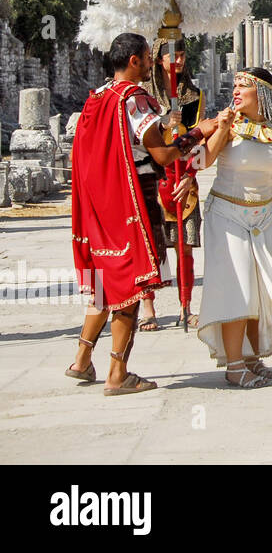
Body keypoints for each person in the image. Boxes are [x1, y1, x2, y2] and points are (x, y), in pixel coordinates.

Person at [67, 32, 200, 395]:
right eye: (145, 57)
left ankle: (81, 361)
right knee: (130, 287)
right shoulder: (135, 99)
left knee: (103, 287)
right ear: (135, 61)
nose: (149, 63)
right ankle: (117, 374)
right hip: (131, 203)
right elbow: (163, 156)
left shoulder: (95, 97)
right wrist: (195, 135)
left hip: (97, 207)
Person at [194, 68, 272, 388]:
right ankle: (234, 365)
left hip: (264, 214)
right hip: (226, 212)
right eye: (236, 85)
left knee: (260, 289)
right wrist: (222, 127)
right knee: (237, 286)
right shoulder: (226, 122)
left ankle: (252, 357)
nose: (237, 91)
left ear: (262, 93)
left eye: (245, 86)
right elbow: (203, 161)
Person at [139, 40, 203, 331]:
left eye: (181, 54)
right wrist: (164, 125)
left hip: (183, 179)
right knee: (148, 248)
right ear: (158, 59)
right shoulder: (143, 98)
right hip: (151, 177)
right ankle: (148, 308)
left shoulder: (194, 97)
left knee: (185, 247)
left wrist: (189, 175)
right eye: (171, 55)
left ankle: (185, 305)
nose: (177, 60)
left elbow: (198, 141)